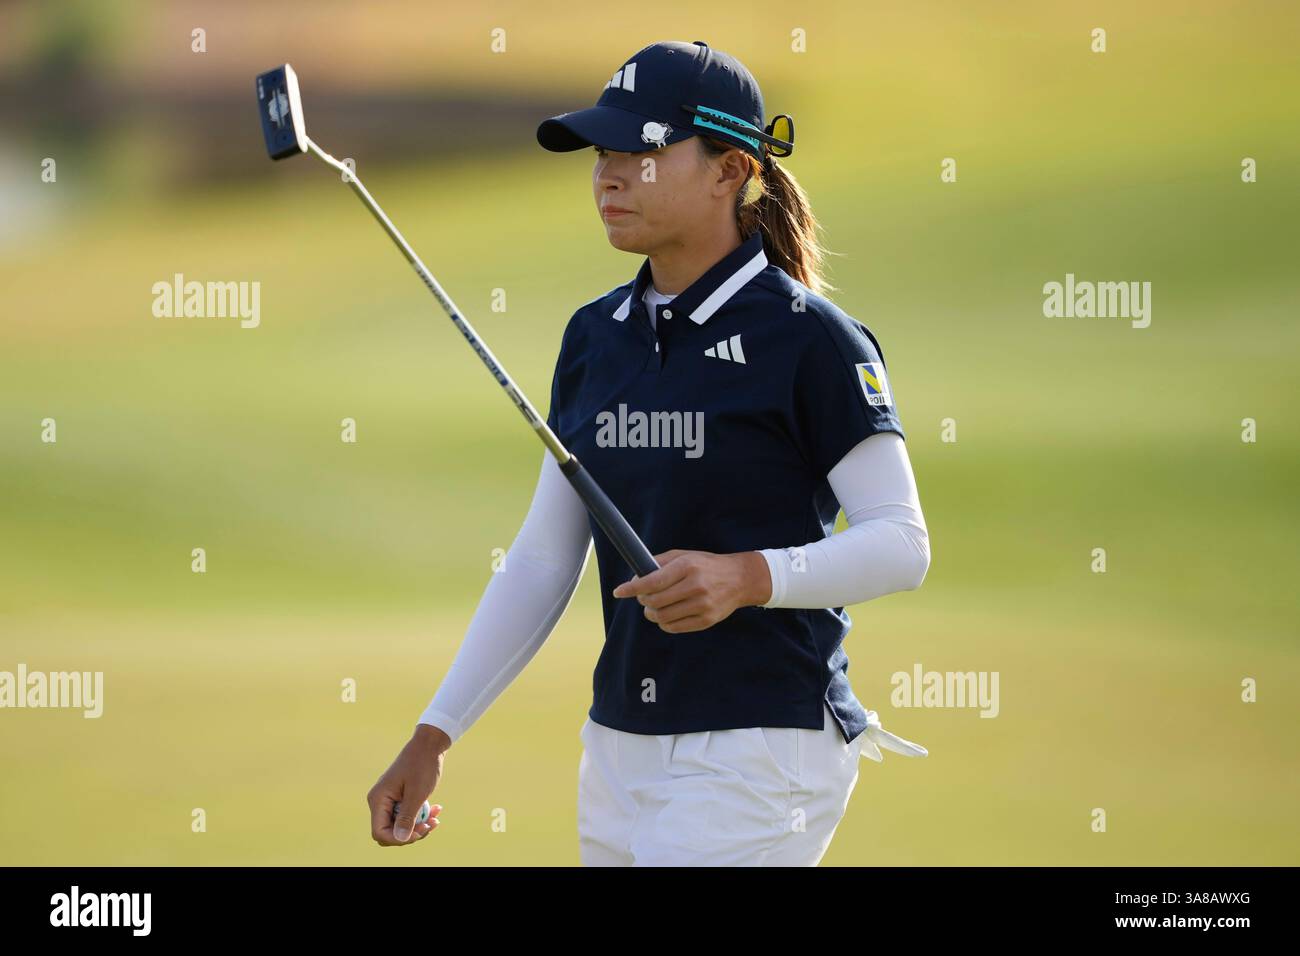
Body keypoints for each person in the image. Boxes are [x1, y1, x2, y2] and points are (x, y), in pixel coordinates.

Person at [367, 40, 931, 865]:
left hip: (760, 743)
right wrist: (435, 734)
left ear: (730, 170)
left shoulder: (808, 340)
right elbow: (542, 558)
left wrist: (747, 577)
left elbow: (902, 542)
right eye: (604, 153)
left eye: (644, 151)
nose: (610, 174)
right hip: (618, 748)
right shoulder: (595, 337)